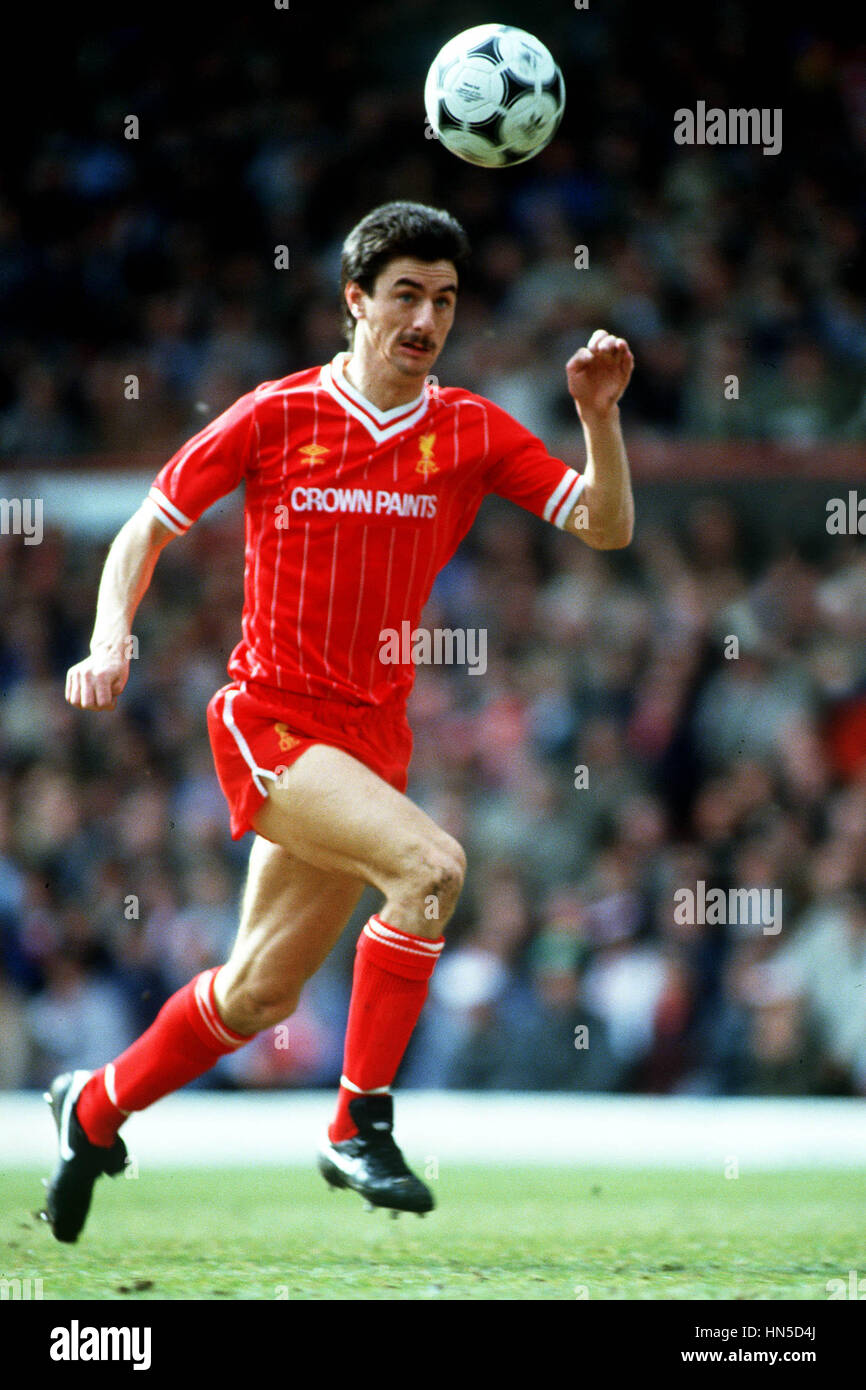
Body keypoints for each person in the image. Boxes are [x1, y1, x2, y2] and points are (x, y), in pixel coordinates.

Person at [44, 201, 634, 1241]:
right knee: (431, 868)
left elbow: (604, 524)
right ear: (355, 300)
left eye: (444, 299)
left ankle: (89, 1112)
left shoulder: (468, 430)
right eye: (405, 292)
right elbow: (144, 526)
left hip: (367, 745)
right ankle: (358, 1119)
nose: (426, 316)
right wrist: (107, 639)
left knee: (257, 995)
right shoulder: (274, 416)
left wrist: (596, 416)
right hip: (268, 727)